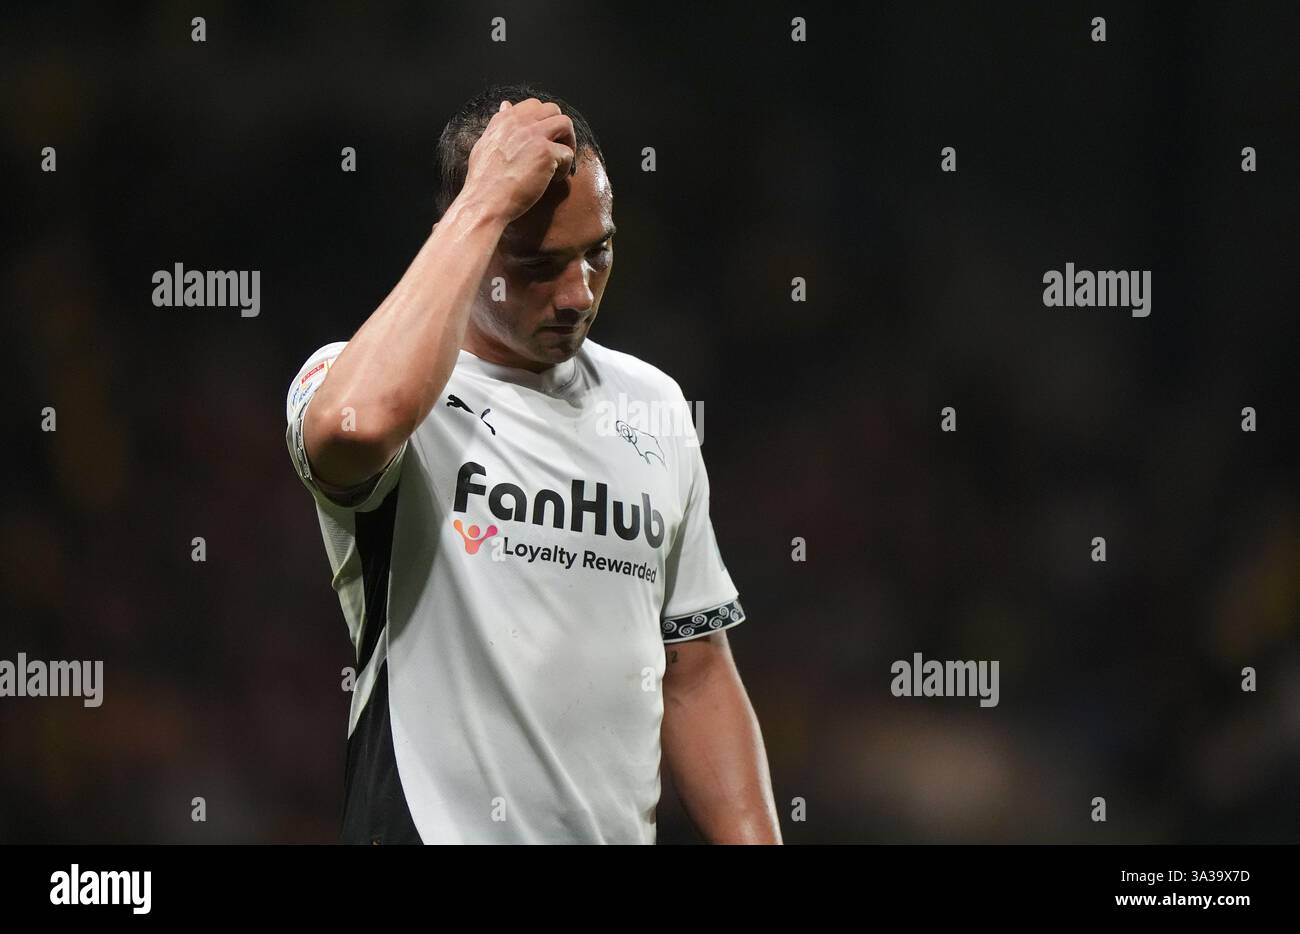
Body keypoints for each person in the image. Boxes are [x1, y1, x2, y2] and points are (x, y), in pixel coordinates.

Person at [284, 83, 780, 844]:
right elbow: (358, 430)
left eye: (599, 250)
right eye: (538, 263)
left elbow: (697, 671)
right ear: (467, 238)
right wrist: (482, 201)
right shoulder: (357, 383)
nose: (578, 294)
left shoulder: (655, 404)